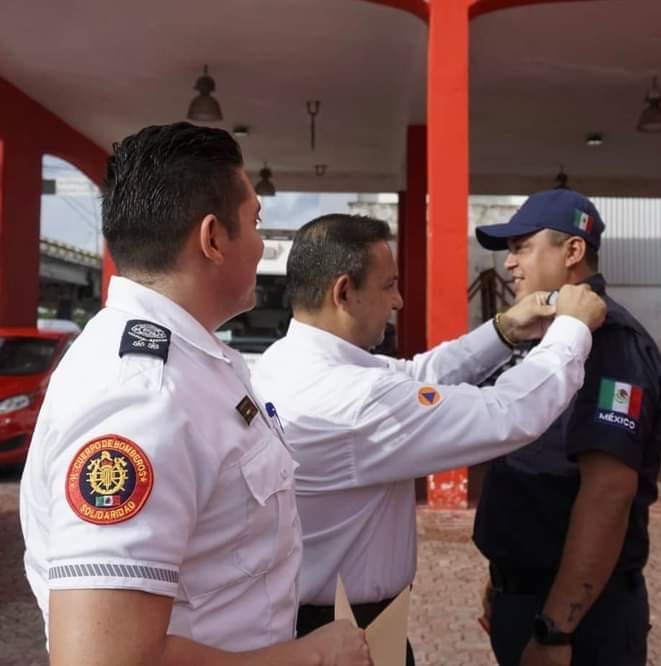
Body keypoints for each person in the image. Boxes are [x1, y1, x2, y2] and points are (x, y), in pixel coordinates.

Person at [19, 123, 370, 666]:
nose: (261, 244)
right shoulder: (142, 396)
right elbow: (101, 659)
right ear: (211, 238)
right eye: (255, 222)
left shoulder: (192, 362)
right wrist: (311, 658)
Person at [251, 213, 607, 665]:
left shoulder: (290, 360)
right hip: (346, 634)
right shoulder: (352, 398)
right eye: (388, 285)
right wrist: (571, 330)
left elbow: (414, 375)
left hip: (322, 621)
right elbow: (509, 413)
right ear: (344, 292)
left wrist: (504, 330)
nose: (398, 300)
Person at [470, 190, 661, 666]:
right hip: (530, 591)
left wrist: (555, 628)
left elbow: (607, 494)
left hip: (580, 620)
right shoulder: (550, 333)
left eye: (521, 247)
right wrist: (505, 578)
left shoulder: (611, 345)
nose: (509, 264)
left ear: (573, 251)